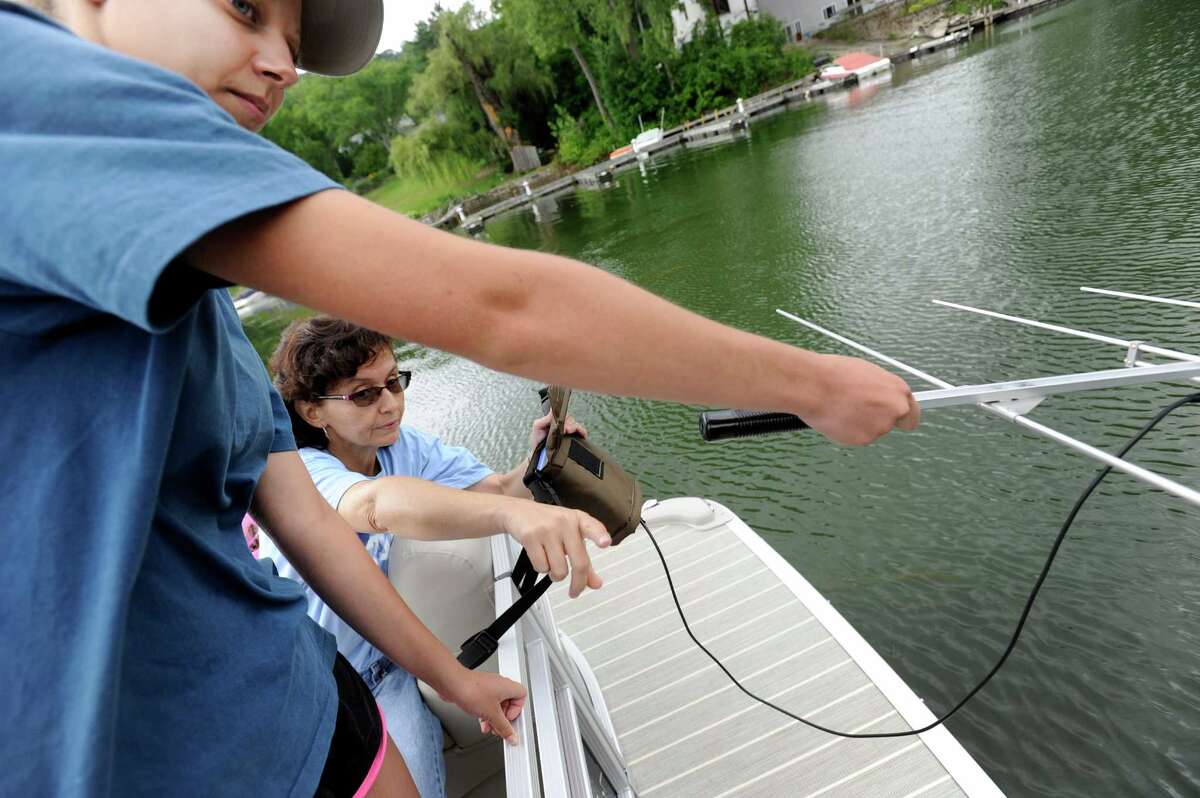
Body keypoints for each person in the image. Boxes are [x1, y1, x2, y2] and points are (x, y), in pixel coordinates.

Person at [0, 1, 918, 795]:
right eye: (245, 7)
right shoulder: (31, 90)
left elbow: (314, 533)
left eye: (292, 34)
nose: (283, 62)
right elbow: (496, 316)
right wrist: (815, 385)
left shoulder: (193, 307)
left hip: (304, 710)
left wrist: (457, 668)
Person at [259, 316, 593, 797]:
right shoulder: (302, 472)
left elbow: (497, 488)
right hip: (335, 688)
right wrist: (509, 516)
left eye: (394, 382)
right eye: (364, 394)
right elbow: (374, 506)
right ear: (314, 412)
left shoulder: (398, 444)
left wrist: (537, 460)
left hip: (399, 665)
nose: (390, 403)